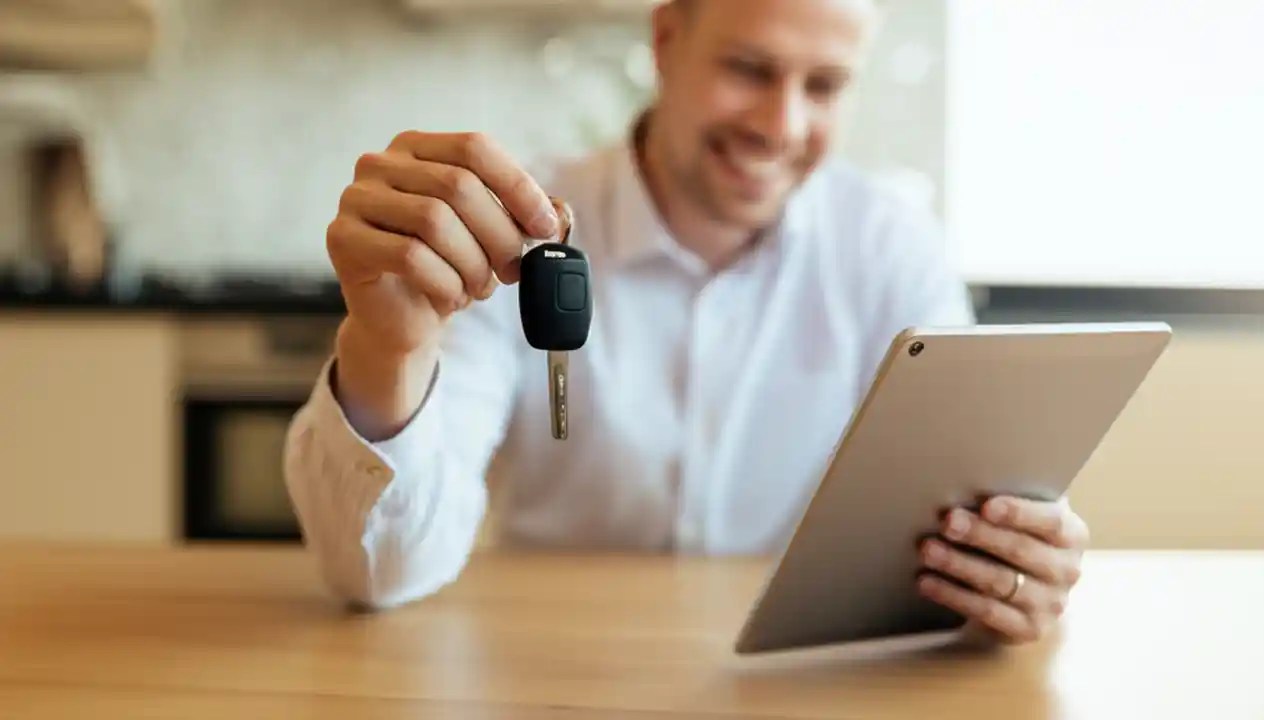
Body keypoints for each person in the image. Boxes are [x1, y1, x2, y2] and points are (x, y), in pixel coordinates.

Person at [283, 0, 1090, 644]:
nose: (781, 125)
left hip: (794, 687)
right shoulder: (505, 234)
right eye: (749, 68)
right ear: (666, 41)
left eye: (825, 86)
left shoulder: (893, 247)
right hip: (547, 669)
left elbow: (974, 500)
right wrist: (391, 347)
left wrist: (1010, 564)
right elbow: (379, 576)